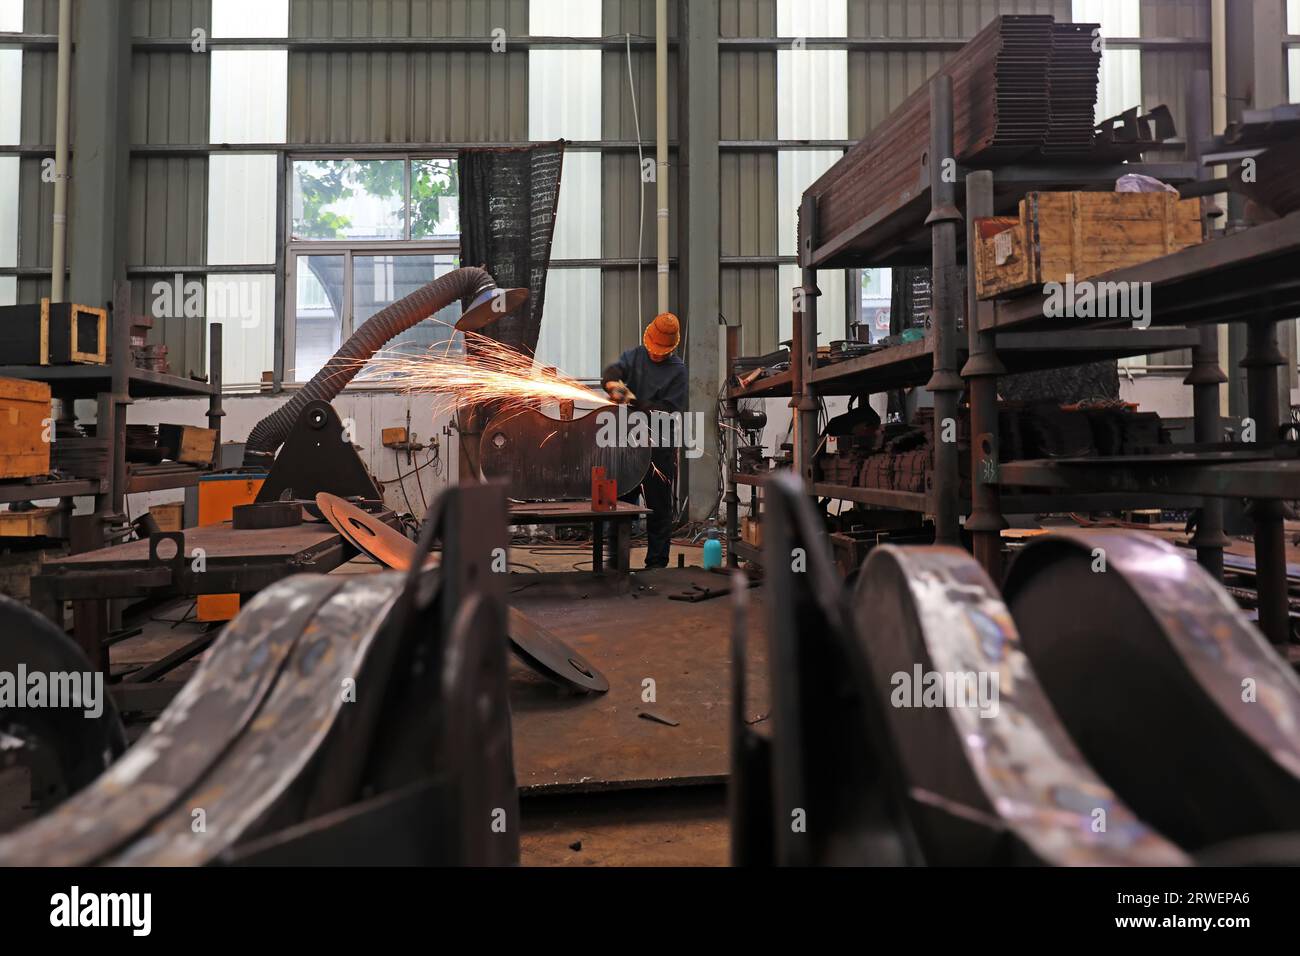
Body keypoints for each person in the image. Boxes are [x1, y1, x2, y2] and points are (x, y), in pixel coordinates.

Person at [600, 312, 687, 569]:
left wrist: (634, 401)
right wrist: (613, 381)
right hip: (629, 444)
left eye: (662, 351)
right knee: (620, 504)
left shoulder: (678, 371)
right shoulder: (635, 356)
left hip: (659, 447)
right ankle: (616, 563)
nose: (657, 354)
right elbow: (613, 370)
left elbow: (666, 410)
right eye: (655, 349)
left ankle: (657, 565)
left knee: (659, 508)